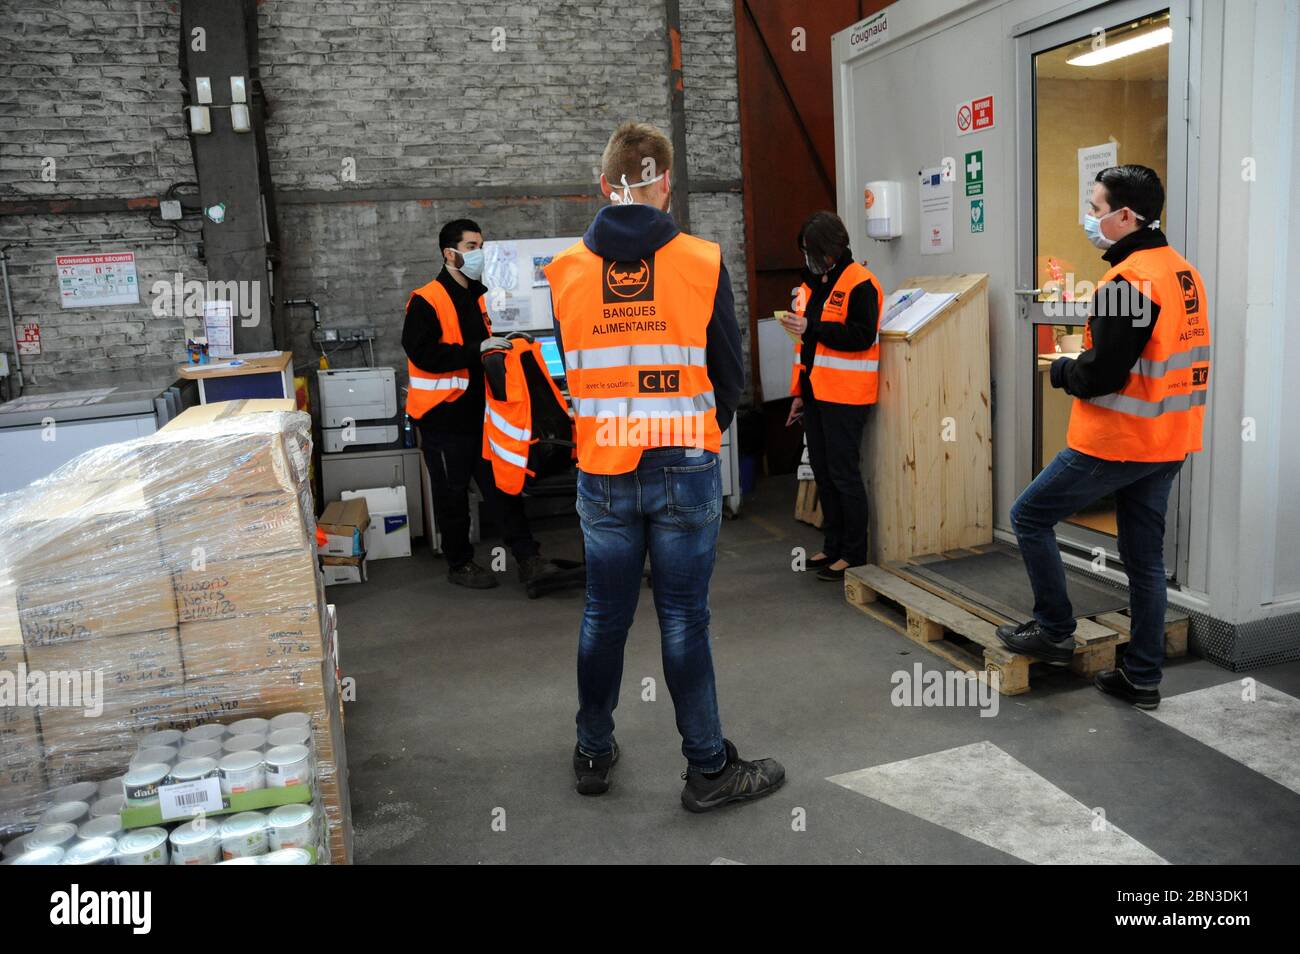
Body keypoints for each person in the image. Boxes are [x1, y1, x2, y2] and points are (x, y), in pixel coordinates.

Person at [545, 121, 784, 811]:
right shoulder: (702, 261)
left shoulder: (564, 273)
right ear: (666, 185)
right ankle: (708, 770)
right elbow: (731, 373)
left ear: (604, 185)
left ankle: (593, 749)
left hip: (603, 470)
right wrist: (701, 435)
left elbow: (573, 375)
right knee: (683, 618)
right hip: (684, 463)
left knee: (603, 615)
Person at [997, 165, 1210, 710]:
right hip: (1170, 439)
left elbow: (1104, 375)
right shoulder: (1182, 272)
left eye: (1095, 209)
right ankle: (1141, 677)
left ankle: (1054, 629)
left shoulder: (1126, 284)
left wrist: (1064, 368)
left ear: (1124, 216)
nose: (1089, 219)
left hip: (1117, 442)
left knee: (1028, 516)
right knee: (1144, 560)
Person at [402, 218, 554, 590]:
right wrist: (477, 349)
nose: (479, 253)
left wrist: (503, 341)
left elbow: (479, 350)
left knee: (503, 488)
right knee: (452, 496)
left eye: (480, 245)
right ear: (449, 253)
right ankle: (460, 564)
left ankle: (527, 557)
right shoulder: (426, 300)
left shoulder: (475, 298)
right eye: (471, 247)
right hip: (441, 420)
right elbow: (422, 354)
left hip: (481, 417)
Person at [779, 211, 882, 582]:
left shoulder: (861, 283)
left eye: (811, 250)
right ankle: (833, 545)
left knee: (843, 474)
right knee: (823, 473)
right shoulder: (813, 285)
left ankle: (853, 555)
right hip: (816, 393)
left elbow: (861, 336)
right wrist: (798, 393)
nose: (807, 257)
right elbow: (805, 348)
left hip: (846, 397)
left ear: (831, 248)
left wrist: (813, 327)